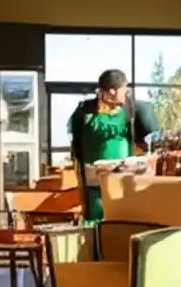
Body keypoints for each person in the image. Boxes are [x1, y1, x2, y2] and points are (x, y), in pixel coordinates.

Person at [67, 69, 158, 221]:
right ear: (109, 91)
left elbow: (146, 144)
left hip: (124, 180)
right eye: (123, 90)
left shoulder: (133, 110)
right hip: (95, 182)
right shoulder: (85, 111)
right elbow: (75, 144)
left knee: (122, 217)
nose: (125, 94)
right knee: (98, 217)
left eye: (125, 90)